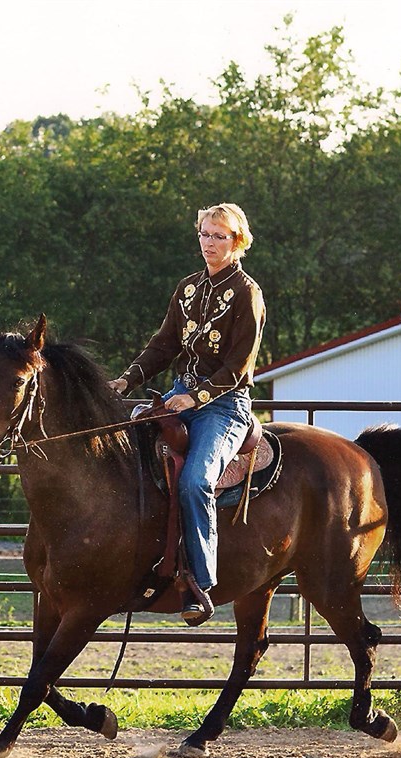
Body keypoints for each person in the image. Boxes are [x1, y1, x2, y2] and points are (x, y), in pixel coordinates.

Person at [109, 203, 265, 626]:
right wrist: (125, 381)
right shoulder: (188, 288)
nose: (209, 243)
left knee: (196, 480)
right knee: (126, 460)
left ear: (238, 242)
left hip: (225, 406)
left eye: (219, 236)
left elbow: (239, 364)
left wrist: (194, 398)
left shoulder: (247, 292)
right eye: (204, 234)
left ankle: (200, 580)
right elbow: (163, 346)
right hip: (179, 396)